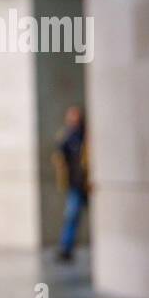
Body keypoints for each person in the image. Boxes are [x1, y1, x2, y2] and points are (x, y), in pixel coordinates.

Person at [53, 106, 88, 262]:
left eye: (76, 116)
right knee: (71, 216)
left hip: (88, 183)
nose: (73, 120)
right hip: (75, 184)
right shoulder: (67, 137)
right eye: (71, 117)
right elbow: (59, 157)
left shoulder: (86, 136)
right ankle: (65, 248)